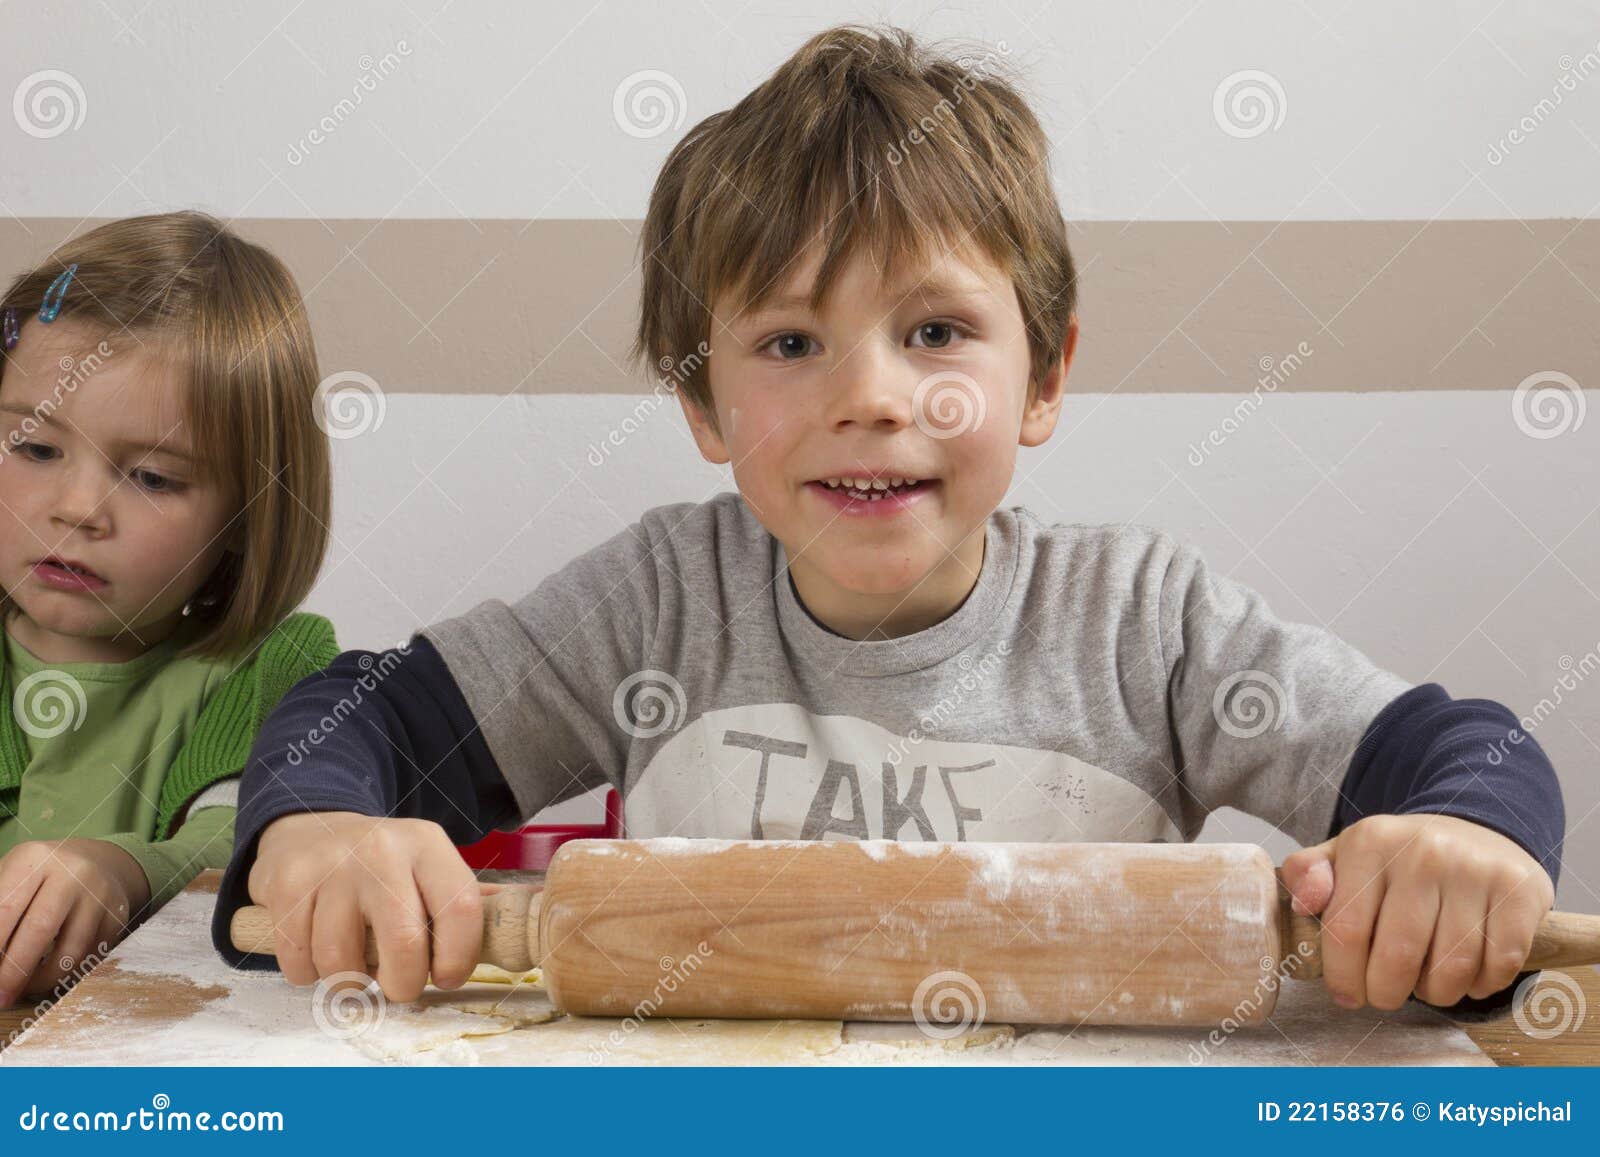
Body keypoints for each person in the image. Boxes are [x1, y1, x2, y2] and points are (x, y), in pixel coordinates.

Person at [212, 27, 1562, 1019]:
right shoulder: (655, 604)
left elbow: (1459, 751)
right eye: (792, 340)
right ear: (703, 402)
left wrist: (1461, 844)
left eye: (934, 331)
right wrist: (319, 825)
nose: (869, 396)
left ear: (1042, 376)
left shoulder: (1146, 624)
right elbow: (363, 717)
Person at [0, 212, 338, 1005]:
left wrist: (121, 871)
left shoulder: (267, 669)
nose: (79, 508)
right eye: (35, 448)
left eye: (152, 477)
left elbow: (255, 842)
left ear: (248, 516)